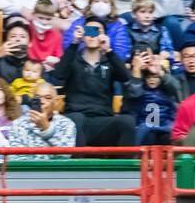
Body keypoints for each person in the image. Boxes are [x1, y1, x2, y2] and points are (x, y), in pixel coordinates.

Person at [47, 18, 138, 146]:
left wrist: (109, 51)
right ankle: (80, 166)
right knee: (75, 120)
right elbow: (58, 75)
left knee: (127, 122)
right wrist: (74, 43)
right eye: (89, 30)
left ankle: (120, 166)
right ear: (83, 34)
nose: (92, 35)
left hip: (103, 120)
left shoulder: (109, 61)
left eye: (97, 31)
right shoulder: (72, 58)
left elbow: (126, 78)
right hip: (76, 117)